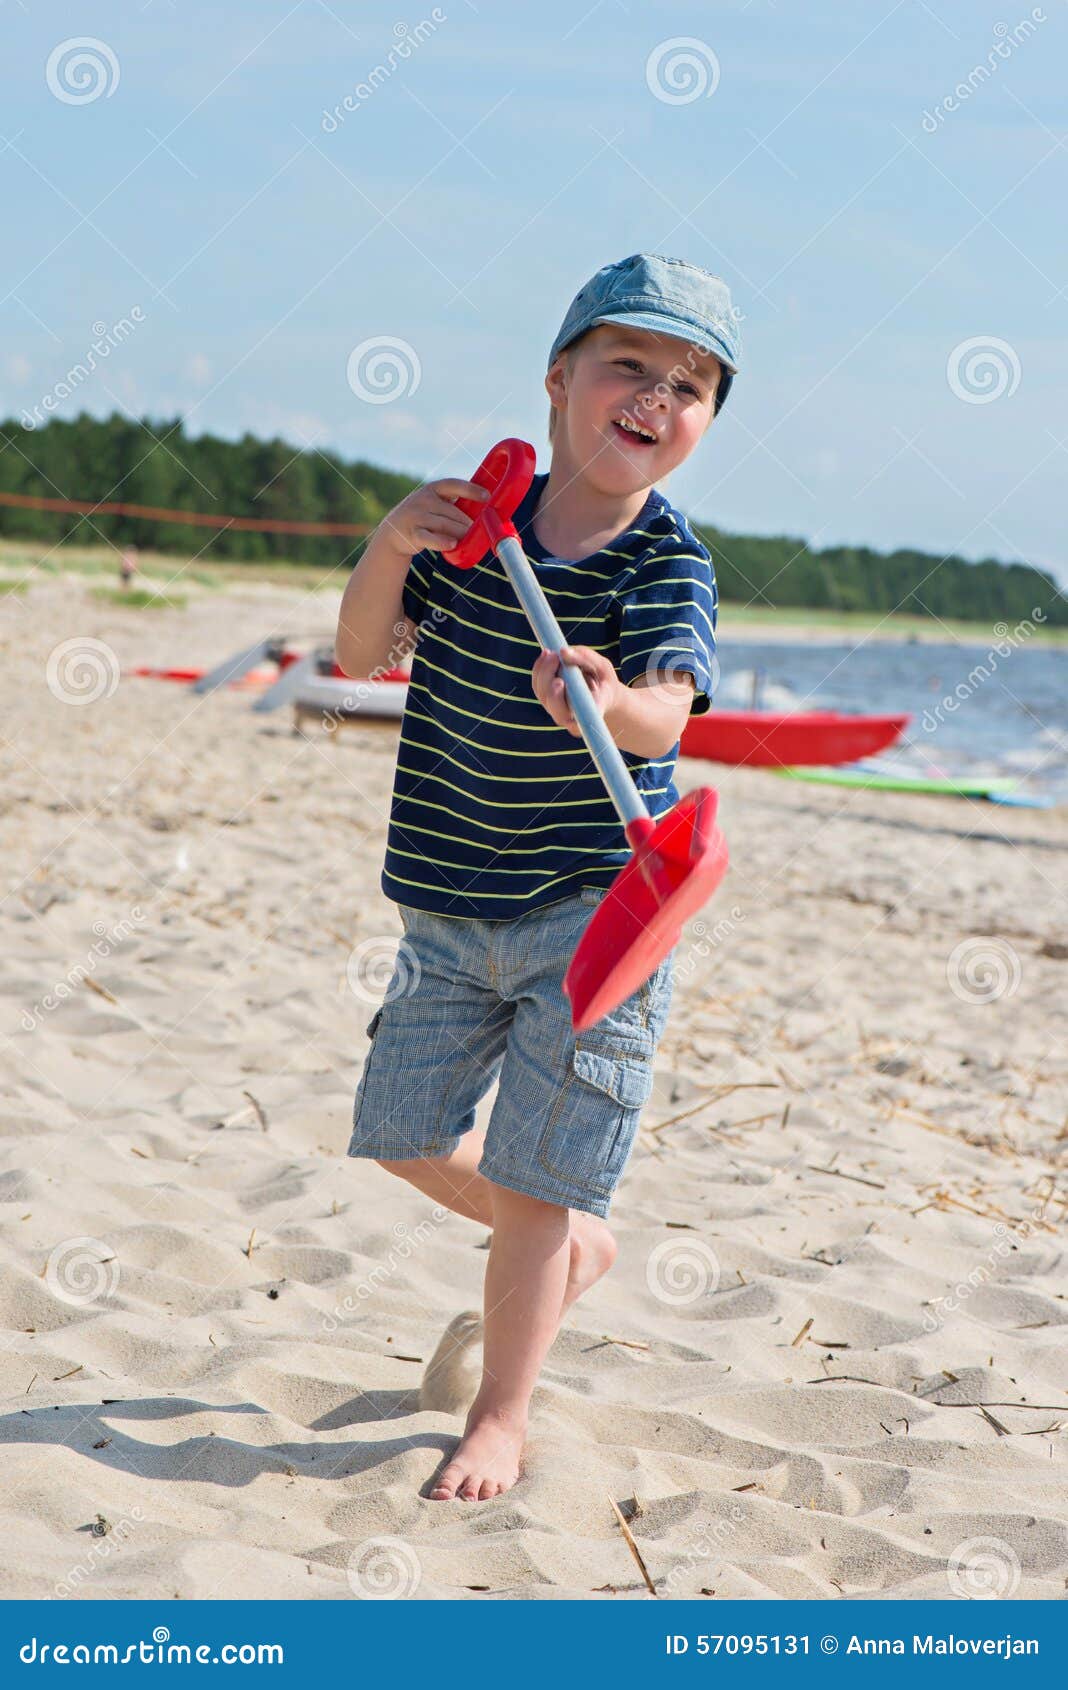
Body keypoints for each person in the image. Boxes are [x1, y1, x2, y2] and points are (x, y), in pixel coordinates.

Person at [335, 253, 741, 1502]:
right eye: (629, 363)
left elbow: (670, 715)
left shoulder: (661, 563)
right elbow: (360, 658)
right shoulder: (470, 534)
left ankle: (501, 1415)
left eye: (688, 384)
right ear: (561, 377)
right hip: (449, 898)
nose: (652, 396)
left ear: (705, 425)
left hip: (596, 912)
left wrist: (611, 701)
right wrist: (394, 541)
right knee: (400, 1131)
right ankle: (574, 1238)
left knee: (531, 1178)